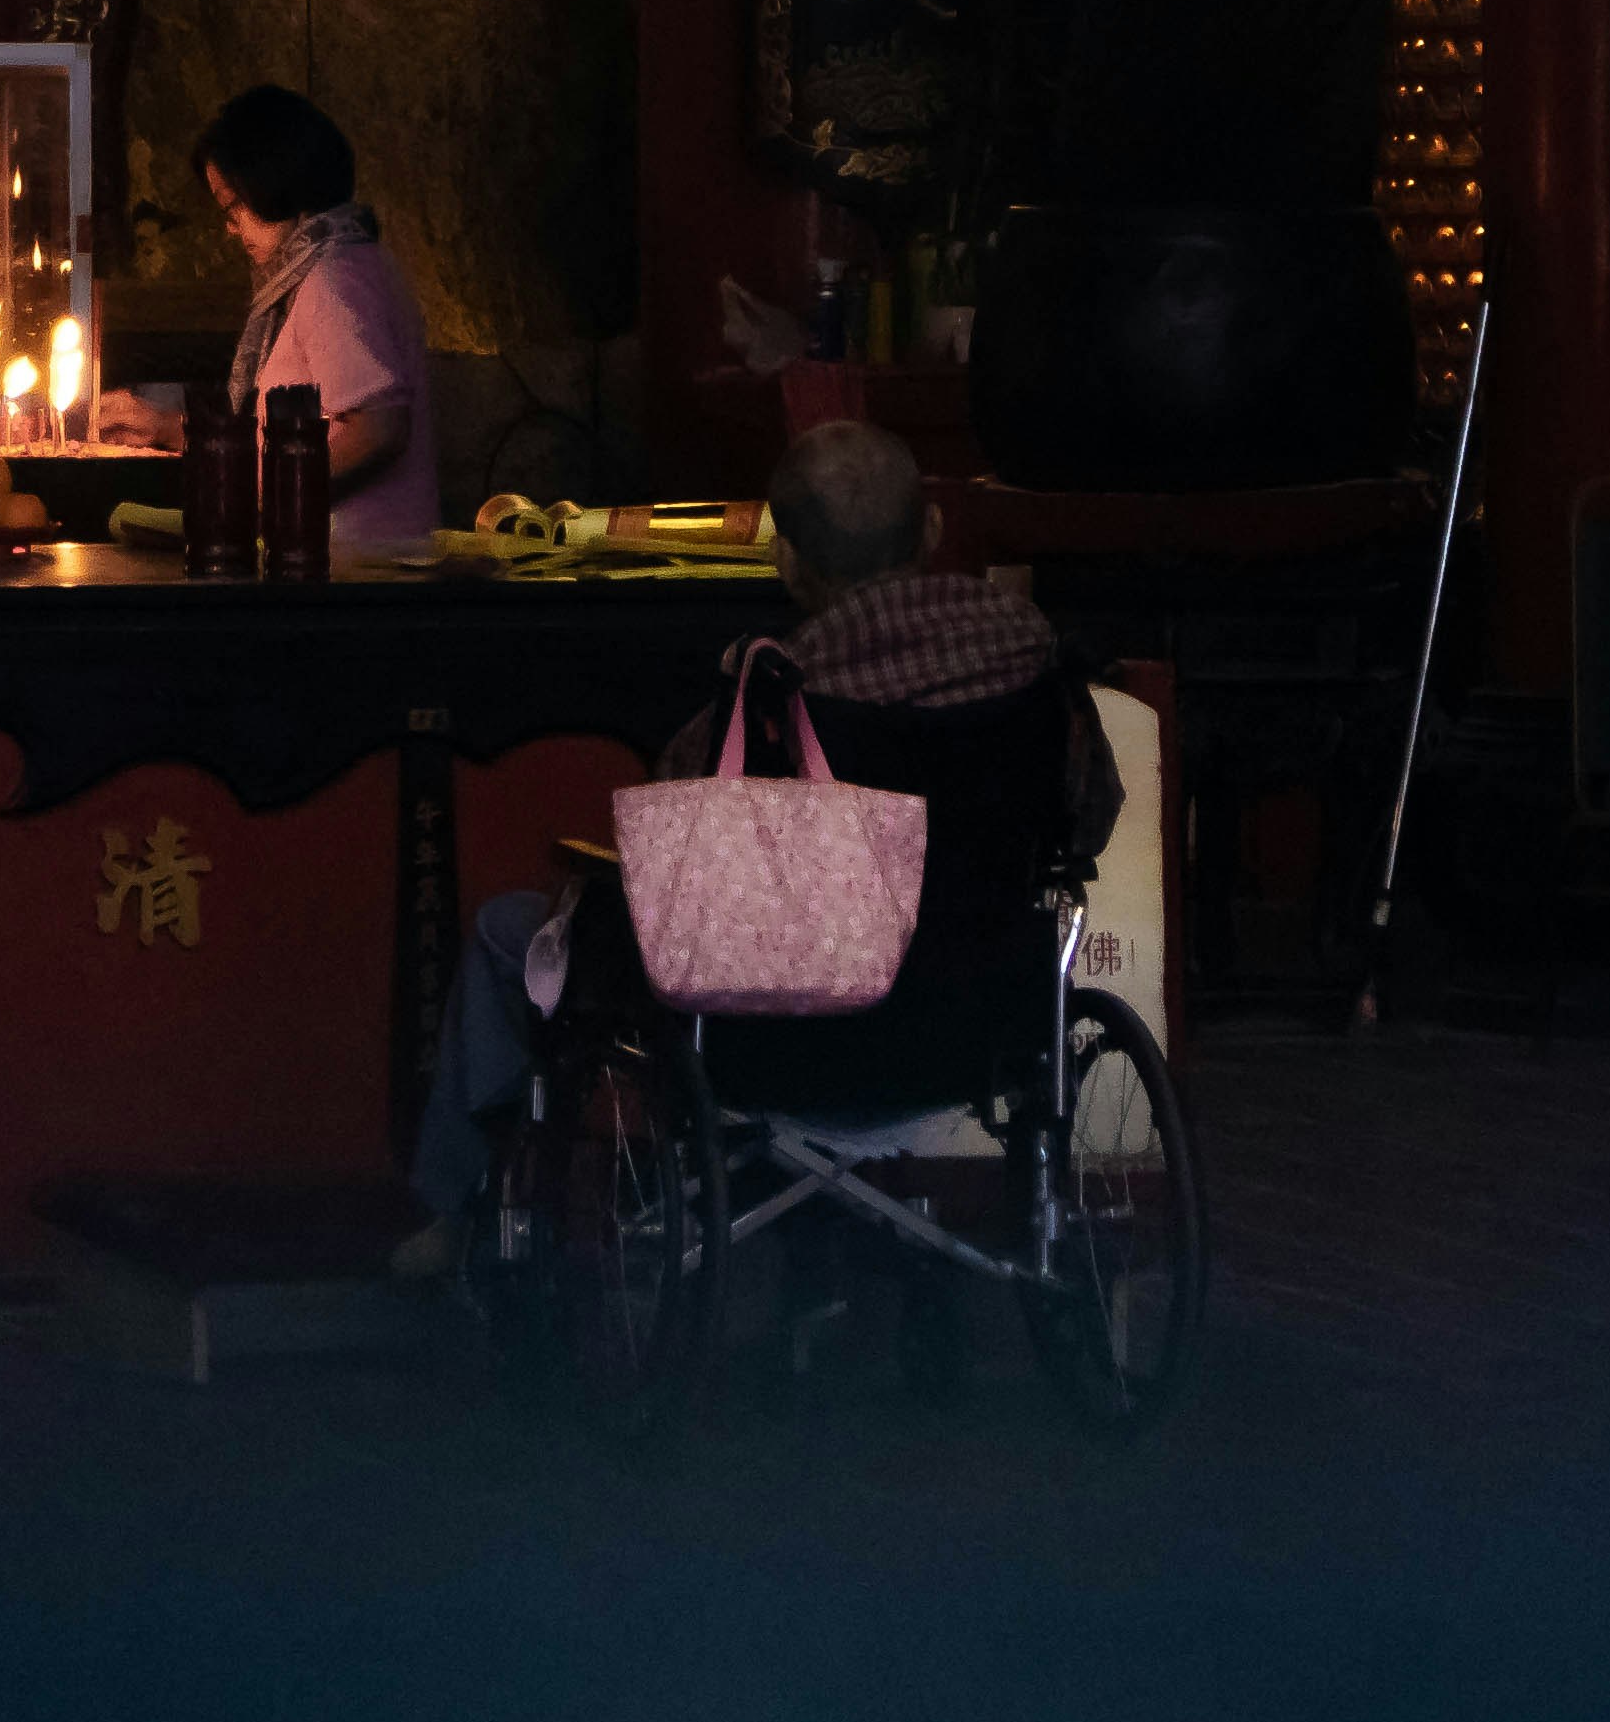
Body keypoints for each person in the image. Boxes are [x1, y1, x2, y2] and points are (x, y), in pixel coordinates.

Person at [411, 419, 1110, 1228]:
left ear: (784, 559)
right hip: (987, 1027)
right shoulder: (1034, 665)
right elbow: (1085, 822)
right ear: (932, 528)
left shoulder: (767, 700)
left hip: (790, 1047)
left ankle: (452, 1219)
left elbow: (676, 874)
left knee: (510, 931)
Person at [200, 83, 437, 551]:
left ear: (272, 183)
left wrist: (264, 501)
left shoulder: (333, 279)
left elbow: (379, 426)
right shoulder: (343, 261)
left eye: (234, 207)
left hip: (359, 563)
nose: (230, 229)